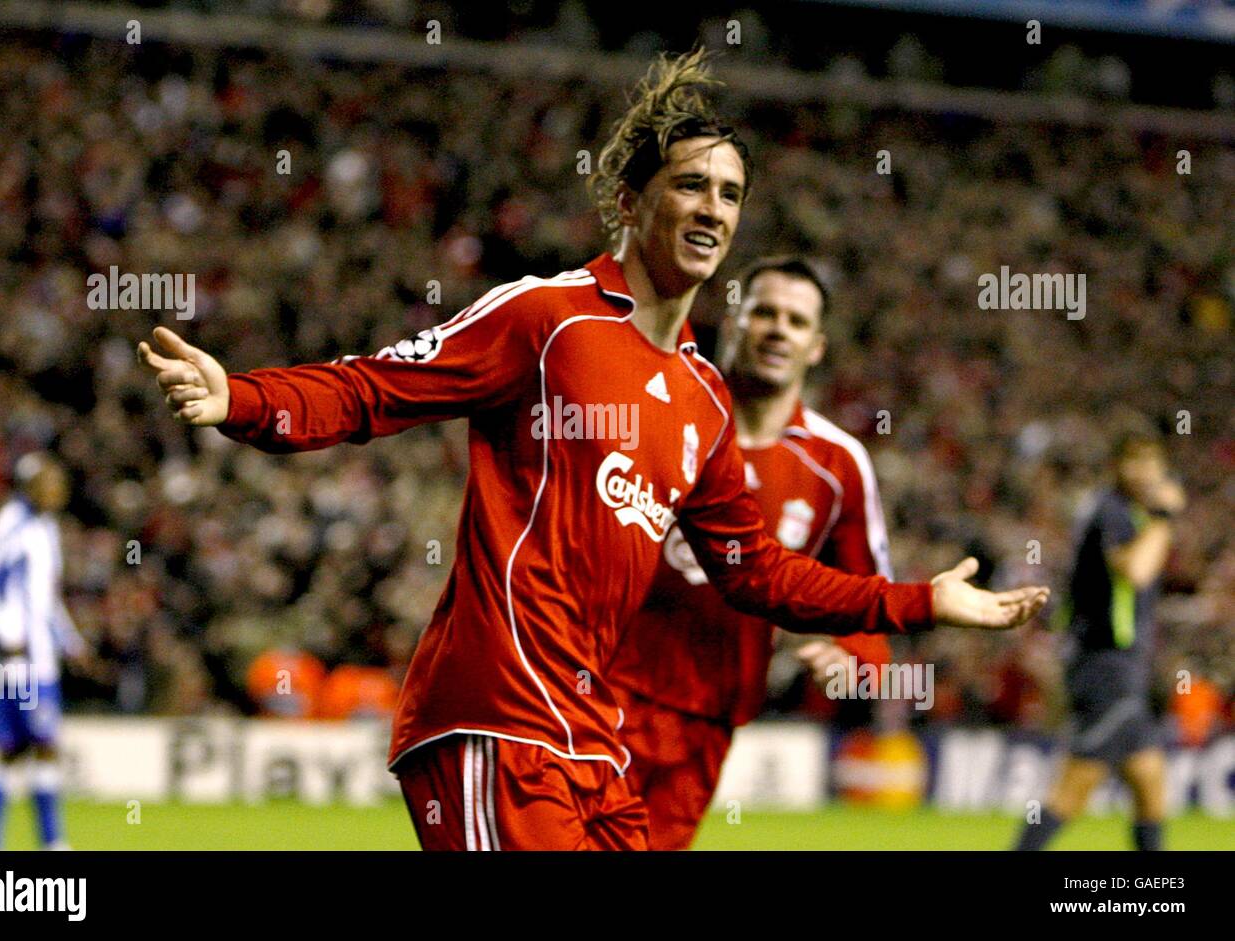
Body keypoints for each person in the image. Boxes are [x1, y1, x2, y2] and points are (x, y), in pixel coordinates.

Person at [138, 49, 1049, 850]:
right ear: (629, 199)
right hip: (497, 718)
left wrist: (919, 600)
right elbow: (378, 386)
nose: (713, 208)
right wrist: (243, 399)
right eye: (691, 184)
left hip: (590, 739)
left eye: (730, 193)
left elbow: (757, 571)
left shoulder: (704, 398)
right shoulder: (548, 318)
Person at [607, 255, 896, 849]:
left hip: (707, 720)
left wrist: (852, 659)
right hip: (600, 689)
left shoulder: (837, 466)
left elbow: (872, 603)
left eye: (795, 321)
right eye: (763, 312)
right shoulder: (657, 414)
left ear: (816, 347)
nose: (776, 329)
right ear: (733, 320)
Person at [1014, 422, 1183, 851]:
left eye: (1152, 461)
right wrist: (1164, 518)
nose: (1144, 471)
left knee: (1149, 781)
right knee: (1075, 786)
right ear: (1117, 466)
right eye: (1135, 460)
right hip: (1105, 665)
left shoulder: (1121, 512)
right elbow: (1136, 570)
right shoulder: (1113, 511)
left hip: (1122, 665)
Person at [0, 452, 87, 850]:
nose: (56, 489)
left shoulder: (44, 527)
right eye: (47, 482)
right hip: (12, 659)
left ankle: (17, 842)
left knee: (28, 748)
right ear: (28, 485)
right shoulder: (13, 522)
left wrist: (70, 640)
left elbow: (45, 597)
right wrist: (3, 627)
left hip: (39, 658)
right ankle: (34, 842)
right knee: (22, 747)